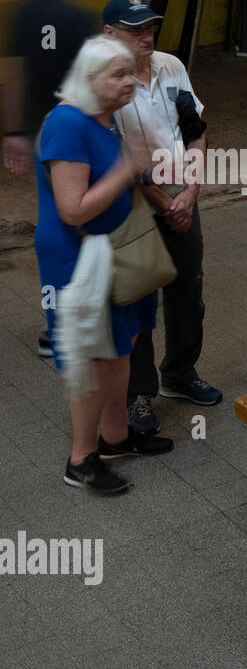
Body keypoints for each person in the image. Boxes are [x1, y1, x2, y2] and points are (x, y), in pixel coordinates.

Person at [35, 35, 175, 494]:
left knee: (123, 346)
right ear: (88, 78)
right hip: (79, 258)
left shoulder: (103, 117)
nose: (129, 81)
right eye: (117, 74)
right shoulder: (67, 125)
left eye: (129, 71)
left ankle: (115, 438)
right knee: (99, 359)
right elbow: (72, 209)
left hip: (116, 251)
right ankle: (81, 458)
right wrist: (123, 172)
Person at [101, 0, 221, 435]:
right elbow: (119, 159)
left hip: (180, 196)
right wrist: (164, 202)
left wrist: (189, 192)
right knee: (140, 304)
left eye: (150, 27)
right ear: (109, 34)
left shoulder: (172, 67)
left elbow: (195, 132)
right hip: (134, 208)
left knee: (188, 291)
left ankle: (179, 374)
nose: (147, 36)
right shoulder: (105, 82)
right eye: (136, 29)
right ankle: (138, 395)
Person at [1, 0, 99, 358]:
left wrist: (14, 133)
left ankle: (54, 324)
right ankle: (82, 324)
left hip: (43, 137)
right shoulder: (77, 19)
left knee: (52, 228)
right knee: (83, 224)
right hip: (74, 133)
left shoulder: (20, 13)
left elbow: (14, 75)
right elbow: (95, 84)